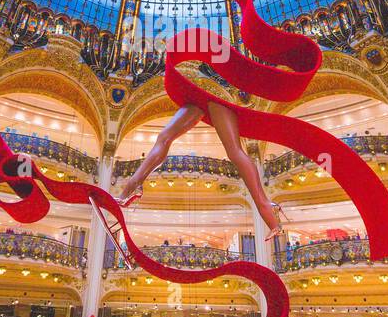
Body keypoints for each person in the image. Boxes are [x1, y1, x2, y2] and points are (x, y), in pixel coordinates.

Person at [116, 97, 285, 235]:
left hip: (217, 90)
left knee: (234, 150)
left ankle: (265, 205)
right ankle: (133, 185)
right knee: (164, 137)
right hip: (199, 89)